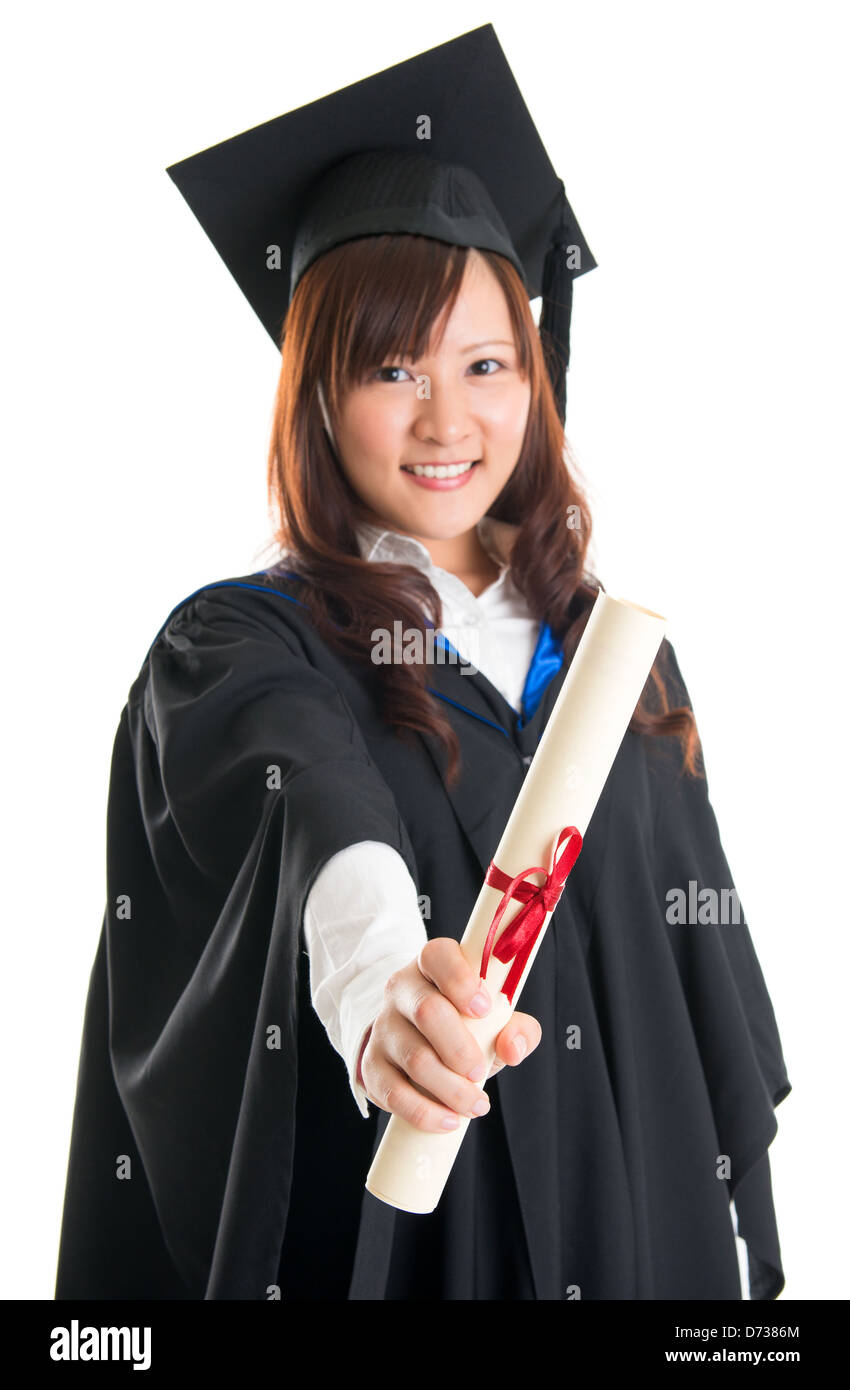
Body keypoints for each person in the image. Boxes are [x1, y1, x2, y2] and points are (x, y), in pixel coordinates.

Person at [54, 26, 791, 1301]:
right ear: (318, 393)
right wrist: (385, 989)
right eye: (393, 367)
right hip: (412, 1257)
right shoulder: (240, 645)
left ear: (534, 376)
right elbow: (312, 815)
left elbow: (696, 993)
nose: (449, 420)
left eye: (486, 362)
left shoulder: (621, 663)